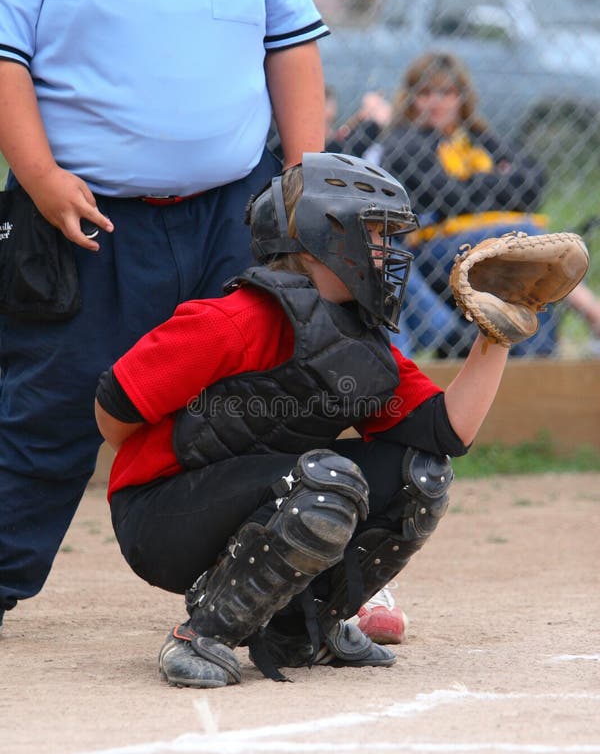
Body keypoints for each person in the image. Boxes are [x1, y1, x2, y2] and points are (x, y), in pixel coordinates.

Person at [95, 152, 551, 689]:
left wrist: (495, 336)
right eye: (377, 236)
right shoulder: (229, 322)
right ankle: (203, 634)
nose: (388, 253)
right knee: (324, 479)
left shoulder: (358, 344)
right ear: (326, 236)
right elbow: (114, 412)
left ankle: (303, 625)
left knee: (419, 475)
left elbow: (446, 431)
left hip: (263, 499)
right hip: (159, 516)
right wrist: (209, 455)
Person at [0, 0, 330, 632]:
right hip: (82, 215)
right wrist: (37, 175)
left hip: (232, 211)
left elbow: (291, 49)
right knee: (49, 409)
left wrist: (304, 188)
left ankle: (279, 584)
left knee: (262, 399)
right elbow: (7, 63)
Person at [351, 53, 600, 357]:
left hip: (495, 238)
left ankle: (538, 363)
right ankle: (592, 312)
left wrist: (472, 188)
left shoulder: (479, 136)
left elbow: (533, 182)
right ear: (411, 98)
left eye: (446, 93)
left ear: (461, 97)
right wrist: (496, 179)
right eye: (425, 93)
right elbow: (446, 196)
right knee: (527, 238)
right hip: (438, 247)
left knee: (529, 275)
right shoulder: (405, 142)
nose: (435, 102)